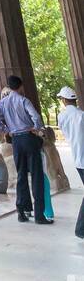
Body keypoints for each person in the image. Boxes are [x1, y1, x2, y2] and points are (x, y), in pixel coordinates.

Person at [0, 74, 51, 224]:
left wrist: (6, 130)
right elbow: (36, 117)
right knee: (36, 176)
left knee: (21, 176)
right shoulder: (23, 100)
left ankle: (22, 212)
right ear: (21, 86)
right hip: (28, 138)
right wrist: (36, 129)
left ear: (9, 87)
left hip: (16, 140)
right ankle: (39, 215)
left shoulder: (3, 103)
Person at [56, 86, 84, 239]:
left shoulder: (62, 117)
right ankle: (80, 229)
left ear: (65, 100)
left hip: (78, 158)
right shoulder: (81, 116)